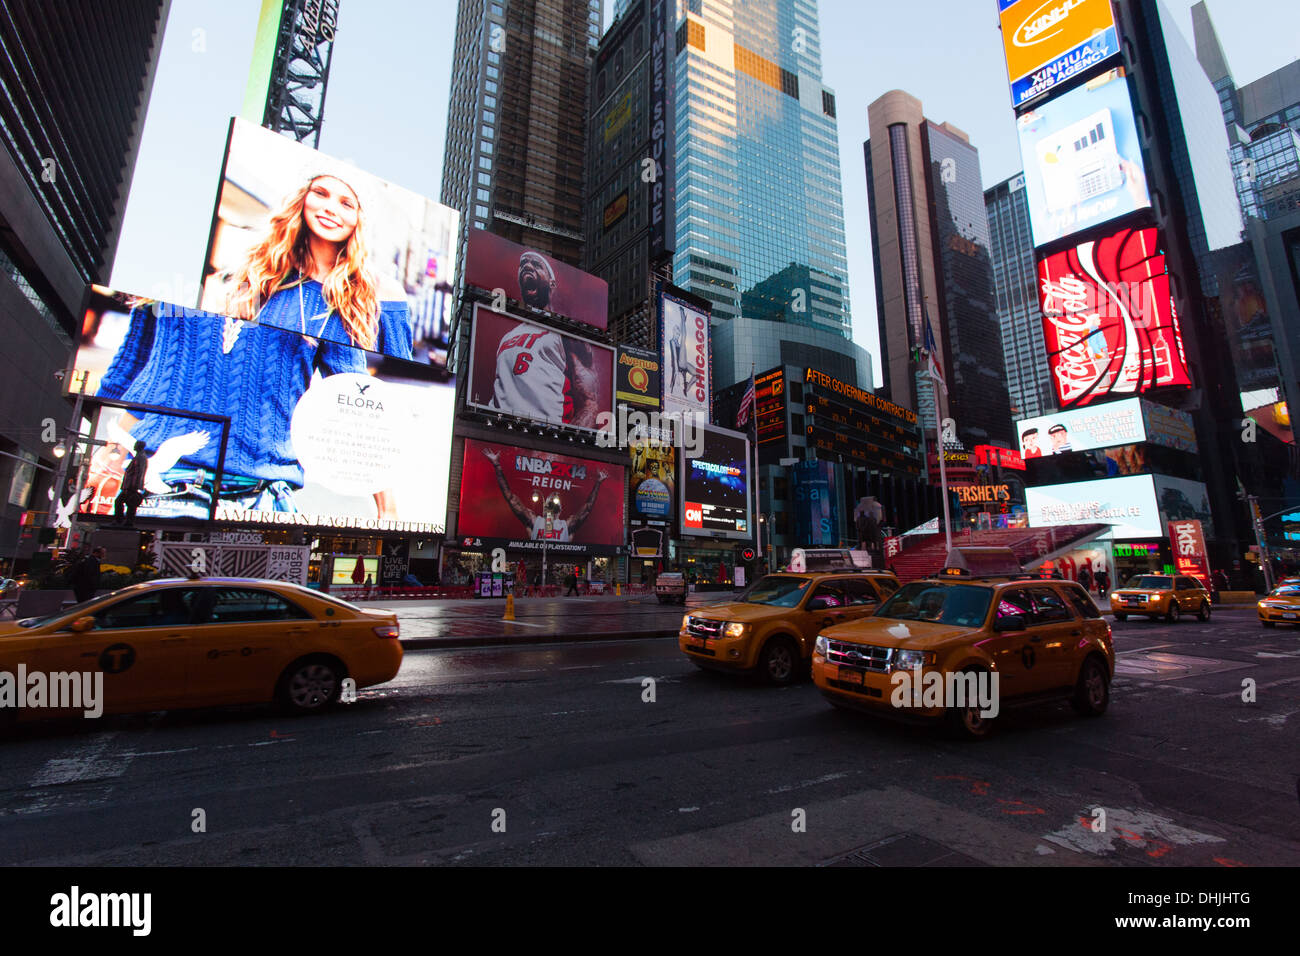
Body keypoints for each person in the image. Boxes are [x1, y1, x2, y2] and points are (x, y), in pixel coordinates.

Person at [87, 173, 412, 520]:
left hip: (257, 490)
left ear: (359, 220)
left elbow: (359, 408)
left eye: (346, 203)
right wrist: (109, 453)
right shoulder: (198, 282)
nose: (331, 208)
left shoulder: (332, 305)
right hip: (158, 477)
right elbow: (137, 375)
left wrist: (387, 510)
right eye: (320, 193)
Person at [487, 319, 603, 429]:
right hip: (502, 427)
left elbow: (590, 400)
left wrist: (562, 445)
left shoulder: (564, 331)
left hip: (547, 430)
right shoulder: (509, 335)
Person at [480, 445, 609, 542]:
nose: (553, 504)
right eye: (551, 503)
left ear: (560, 510)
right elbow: (511, 498)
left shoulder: (566, 525)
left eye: (553, 503)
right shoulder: (536, 521)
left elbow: (587, 508)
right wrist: (496, 465)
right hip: (536, 561)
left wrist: (598, 482)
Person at [113, 440, 149, 526]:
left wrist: (130, 487)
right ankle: (126, 522)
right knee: (130, 504)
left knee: (121, 502)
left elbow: (137, 473)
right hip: (131, 487)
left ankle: (121, 521)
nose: (134, 446)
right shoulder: (141, 457)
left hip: (131, 487)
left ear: (139, 446)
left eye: (136, 444)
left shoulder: (139, 458)